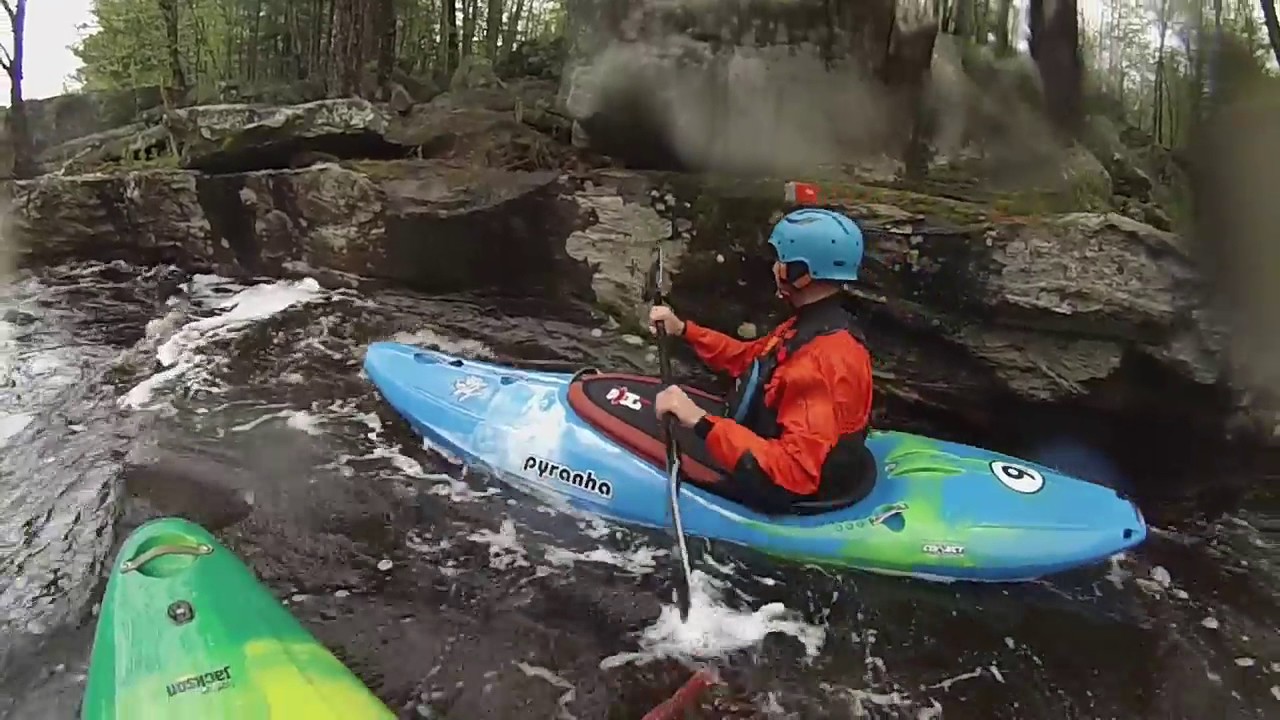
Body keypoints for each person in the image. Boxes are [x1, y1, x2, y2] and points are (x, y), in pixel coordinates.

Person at [649, 207, 875, 513]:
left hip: (793, 487)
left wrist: (700, 422)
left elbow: (795, 472)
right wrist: (684, 330)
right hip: (778, 444)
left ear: (800, 273)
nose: (774, 267)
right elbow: (752, 360)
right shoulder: (812, 325)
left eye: (780, 260)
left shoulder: (820, 361)